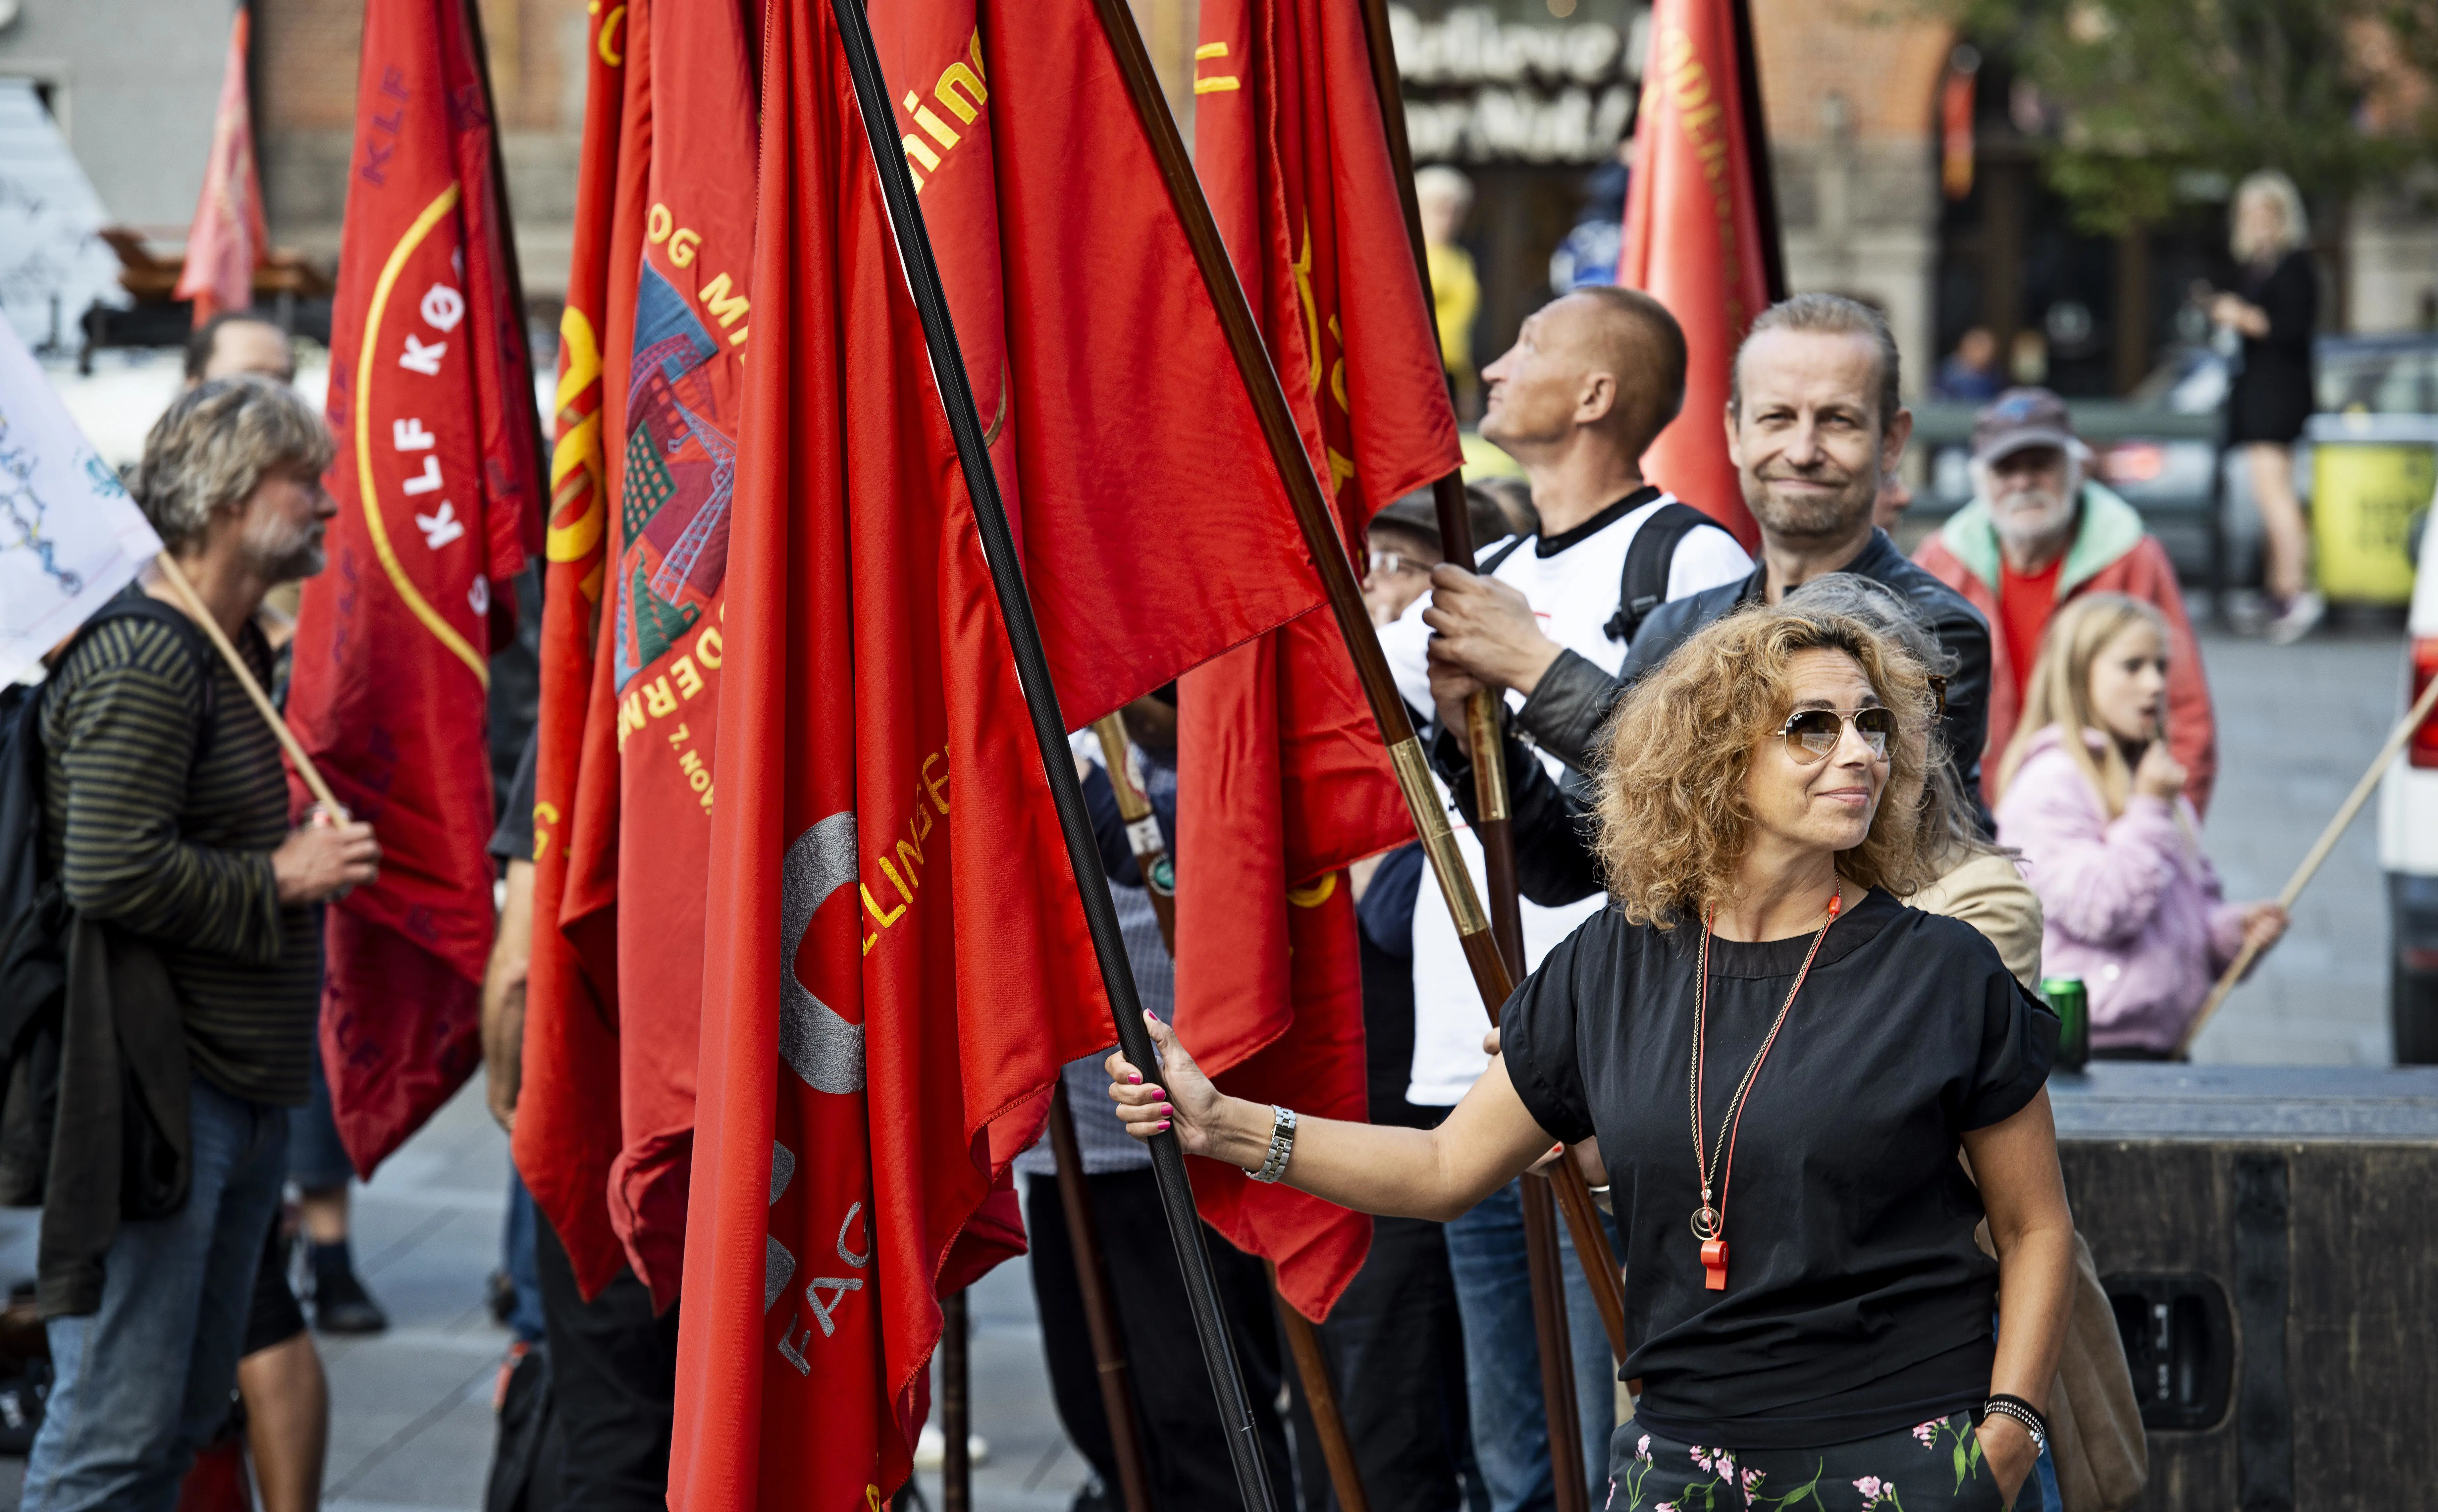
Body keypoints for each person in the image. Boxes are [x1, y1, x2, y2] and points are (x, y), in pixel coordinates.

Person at [1113, 603, 2073, 1512]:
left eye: (1872, 724)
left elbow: (2036, 1226)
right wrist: (1225, 1125)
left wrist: (2012, 1429)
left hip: (1907, 1454)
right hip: (1678, 1463)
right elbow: (1446, 1166)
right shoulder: (1613, 960)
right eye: (1812, 727)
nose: (1858, 751)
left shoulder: (1946, 971)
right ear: (1718, 759)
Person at [1381, 285, 1752, 1512]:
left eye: (1531, 344)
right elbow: (1495, 831)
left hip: (1610, 1070)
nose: (1495, 361)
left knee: (1621, 1438)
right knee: (1512, 1455)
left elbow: (1688, 802)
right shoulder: (1480, 567)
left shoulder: (1688, 561)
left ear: (1595, 395)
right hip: (1467, 1053)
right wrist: (1448, 728)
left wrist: (1535, 673)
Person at [24, 377, 380, 1508]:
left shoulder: (231, 651)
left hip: (234, 1093)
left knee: (175, 1423)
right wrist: (281, 872)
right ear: (227, 497)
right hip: (161, 1102)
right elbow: (109, 868)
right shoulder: (150, 657)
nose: (328, 505)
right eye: (304, 481)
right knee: (110, 1439)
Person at [1431, 293, 1993, 907]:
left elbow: (1781, 814)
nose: (1803, 450)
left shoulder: (1937, 630)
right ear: (1734, 432)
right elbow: (1571, 865)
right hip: (1686, 999)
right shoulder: (1679, 627)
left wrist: (1537, 669)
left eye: (1838, 421)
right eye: (1776, 418)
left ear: (1892, 441)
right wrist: (1478, 745)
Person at [1016, 701, 1300, 1512]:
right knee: (1095, 1404)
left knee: (1205, 1418)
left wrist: (1084, 785)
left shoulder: (1176, 715)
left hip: (1180, 1133)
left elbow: (1187, 850)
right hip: (1063, 1134)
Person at [1994, 595, 2289, 1060]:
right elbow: (2103, 909)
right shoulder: (2050, 783)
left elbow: (2190, 915)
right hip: (2087, 1051)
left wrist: (2236, 932)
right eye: (2132, 667)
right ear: (2079, 675)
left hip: (2161, 1046)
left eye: (2160, 666)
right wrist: (2150, 808)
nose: (2154, 684)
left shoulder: (2151, 780)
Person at [1913, 387, 2218, 814]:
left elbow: (2185, 708)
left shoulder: (2132, 555)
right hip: (1969, 822)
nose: (2023, 482)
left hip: (2101, 822)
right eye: (2006, 467)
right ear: (1982, 481)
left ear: (2076, 469)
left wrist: (2172, 828)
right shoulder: (1940, 563)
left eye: (2040, 464)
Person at [2210, 169, 2319, 644]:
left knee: (2275, 494)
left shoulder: (2296, 265)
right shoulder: (2258, 266)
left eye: (2265, 213)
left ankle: (2297, 592)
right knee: (2269, 493)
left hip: (2278, 390)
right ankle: (2279, 590)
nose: (2256, 223)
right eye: (2249, 214)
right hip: (2258, 387)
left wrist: (2241, 316)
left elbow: (2291, 327)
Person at [1936, 327, 2003, 403]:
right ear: (1969, 348)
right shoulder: (1948, 376)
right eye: (1983, 349)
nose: (1989, 355)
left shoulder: (1994, 375)